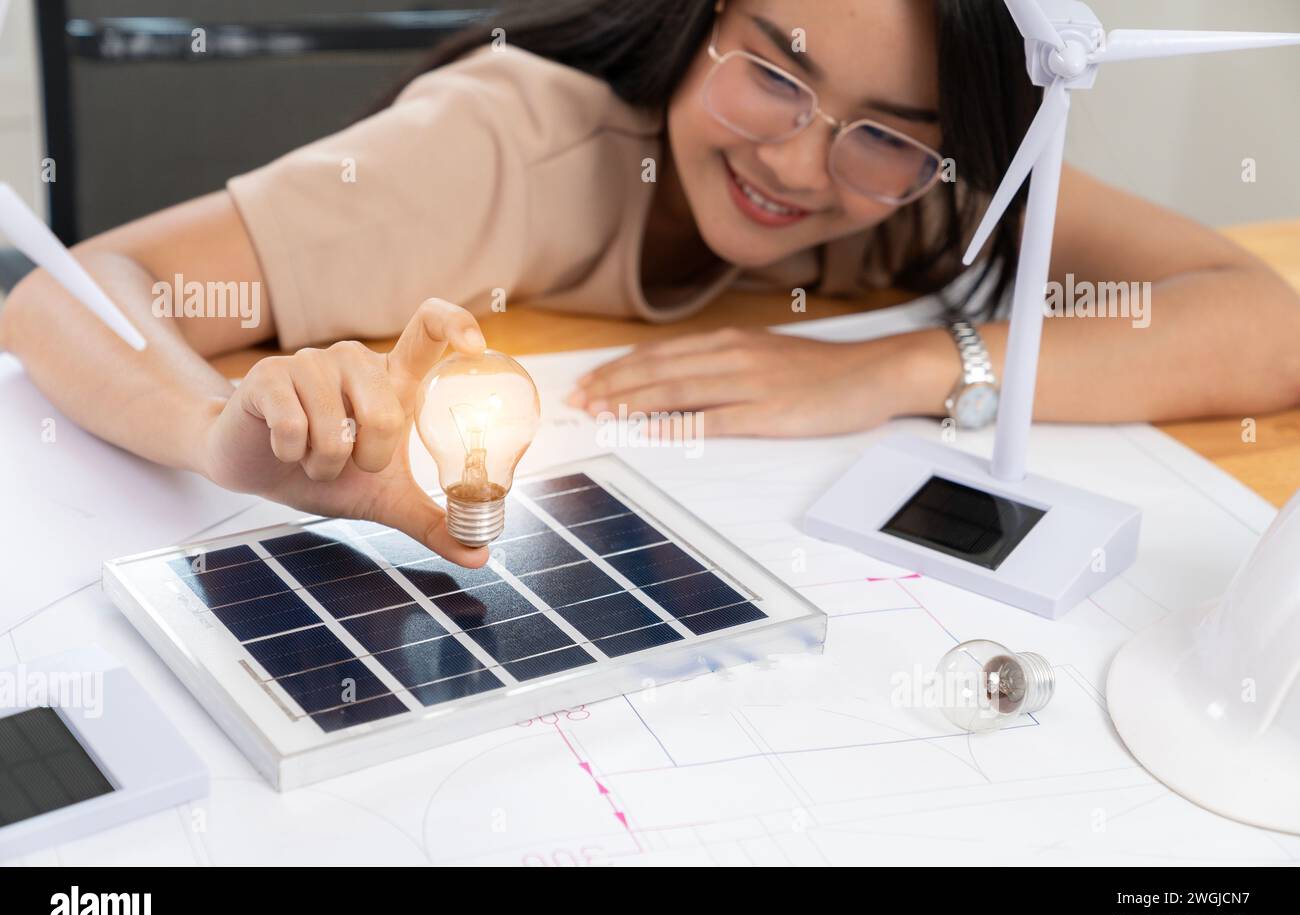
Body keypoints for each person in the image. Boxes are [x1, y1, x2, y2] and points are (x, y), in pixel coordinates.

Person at [3, 0, 1298, 568]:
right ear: (700, 16)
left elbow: (1264, 326)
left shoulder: (930, 182)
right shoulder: (495, 153)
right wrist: (216, 436)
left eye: (888, 130)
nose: (798, 161)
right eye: (771, 72)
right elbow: (70, 284)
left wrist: (891, 372)